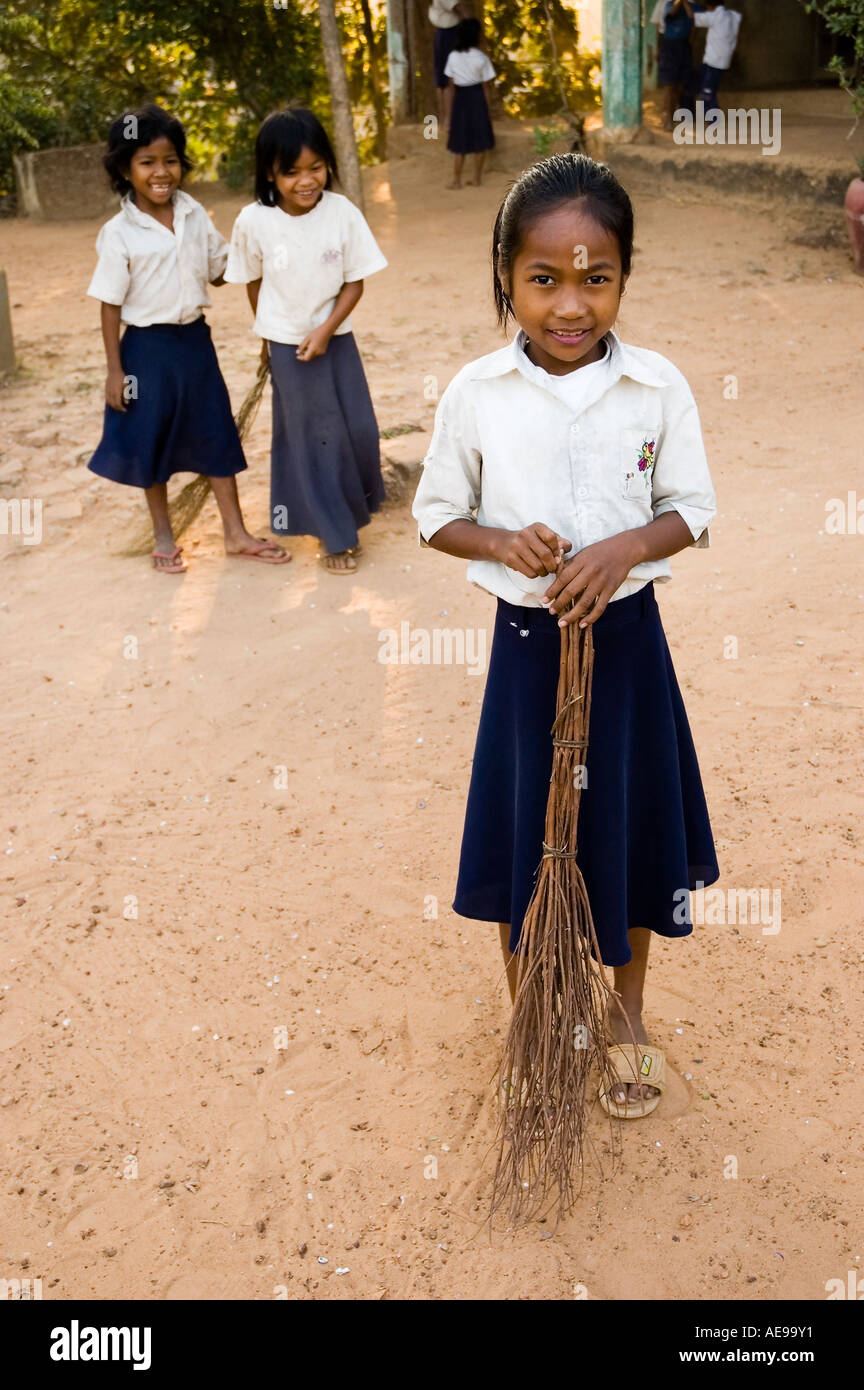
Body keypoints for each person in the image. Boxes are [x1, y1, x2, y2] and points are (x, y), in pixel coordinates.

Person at [412, 153, 720, 1117]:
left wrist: (626, 546)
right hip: (526, 656)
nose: (571, 304)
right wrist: (502, 539)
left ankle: (625, 1017)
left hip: (627, 654)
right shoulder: (478, 391)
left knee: (622, 828)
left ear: (626, 275)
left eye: (598, 278)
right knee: (526, 840)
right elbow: (434, 513)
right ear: (505, 274)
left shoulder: (657, 387)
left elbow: (691, 509)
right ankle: (535, 1019)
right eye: (544, 280)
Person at [87, 105, 289, 573]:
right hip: (145, 351)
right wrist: (115, 370)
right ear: (124, 169)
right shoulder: (117, 234)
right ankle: (163, 533)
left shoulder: (193, 213)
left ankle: (235, 533)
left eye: (171, 160)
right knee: (149, 438)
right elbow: (109, 305)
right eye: (147, 162)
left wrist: (259, 241)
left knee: (215, 431)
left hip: (194, 343)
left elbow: (221, 269)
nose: (162, 172)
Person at [225, 108, 388, 575]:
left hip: (336, 340)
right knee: (318, 439)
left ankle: (355, 510)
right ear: (269, 173)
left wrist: (325, 328)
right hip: (288, 349)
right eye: (291, 171)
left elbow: (354, 282)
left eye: (315, 167)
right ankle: (335, 537)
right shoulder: (253, 222)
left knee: (358, 429)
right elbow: (252, 282)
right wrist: (267, 336)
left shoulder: (342, 213)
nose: (305, 180)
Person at [444, 18, 496, 189]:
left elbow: (450, 87)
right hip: (477, 99)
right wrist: (487, 108)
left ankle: (456, 180)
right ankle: (476, 179)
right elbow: (486, 86)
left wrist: (448, 115)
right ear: (477, 36)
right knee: (480, 139)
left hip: (461, 99)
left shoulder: (452, 56)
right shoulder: (482, 58)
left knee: (460, 141)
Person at [681, 0, 742, 115]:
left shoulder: (714, 16)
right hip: (714, 61)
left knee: (707, 93)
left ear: (708, 6)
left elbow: (692, 16)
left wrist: (684, 2)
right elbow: (738, 19)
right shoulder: (731, 15)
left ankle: (714, 122)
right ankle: (688, 114)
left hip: (715, 62)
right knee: (692, 85)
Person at [649, 0, 697, 130]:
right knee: (669, 85)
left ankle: (674, 115)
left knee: (680, 85)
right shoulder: (663, 4)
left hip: (683, 45)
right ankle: (667, 118)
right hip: (668, 45)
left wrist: (689, 45)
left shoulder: (691, 3)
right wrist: (657, 49)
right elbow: (659, 28)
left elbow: (693, 25)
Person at [429, 0, 467, 127]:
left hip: (448, 31)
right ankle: (448, 120)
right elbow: (457, 6)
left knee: (446, 78)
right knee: (448, 78)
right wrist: (469, 22)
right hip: (448, 32)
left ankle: (448, 118)